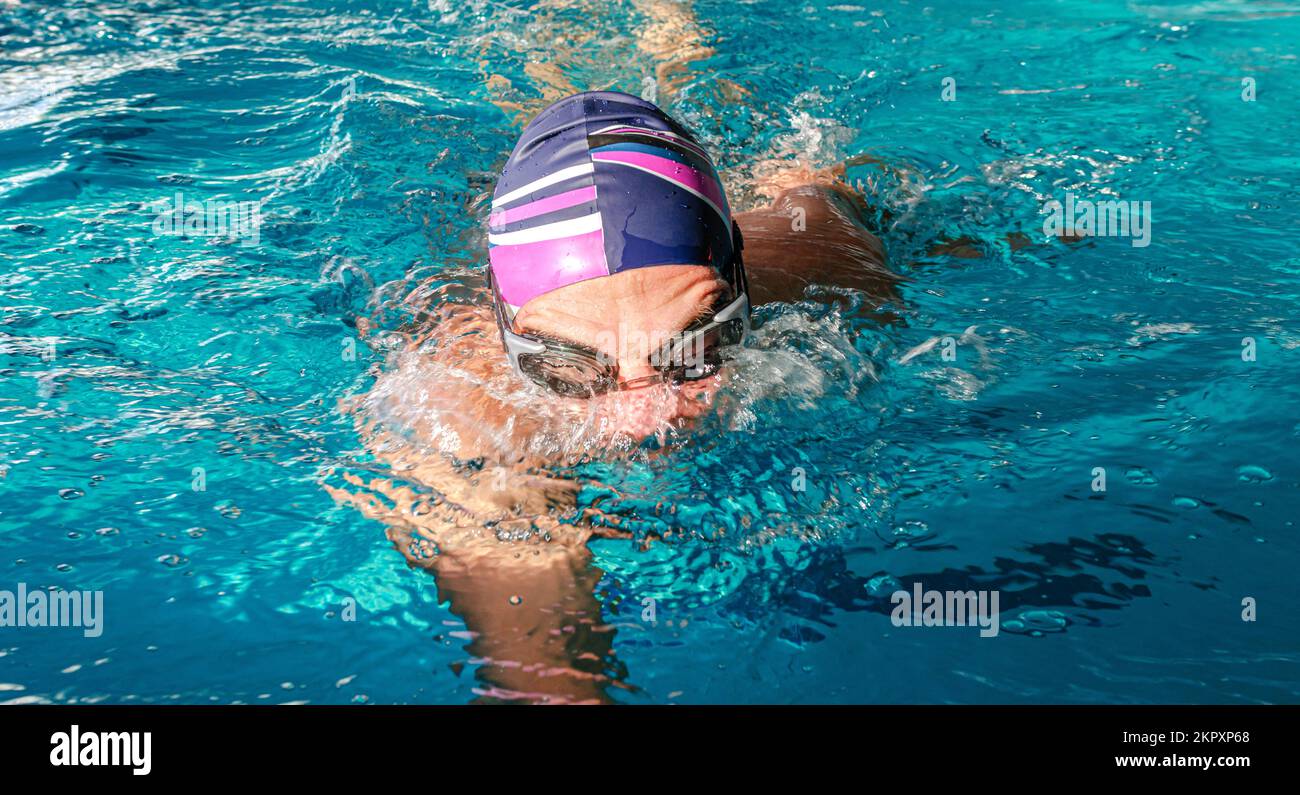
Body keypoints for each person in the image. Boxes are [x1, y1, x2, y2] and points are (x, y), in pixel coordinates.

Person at [328, 91, 896, 703]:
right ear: (507, 335)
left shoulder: (830, 266)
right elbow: (543, 664)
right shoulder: (461, 408)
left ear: (743, 284)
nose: (646, 419)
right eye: (568, 371)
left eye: (695, 348)